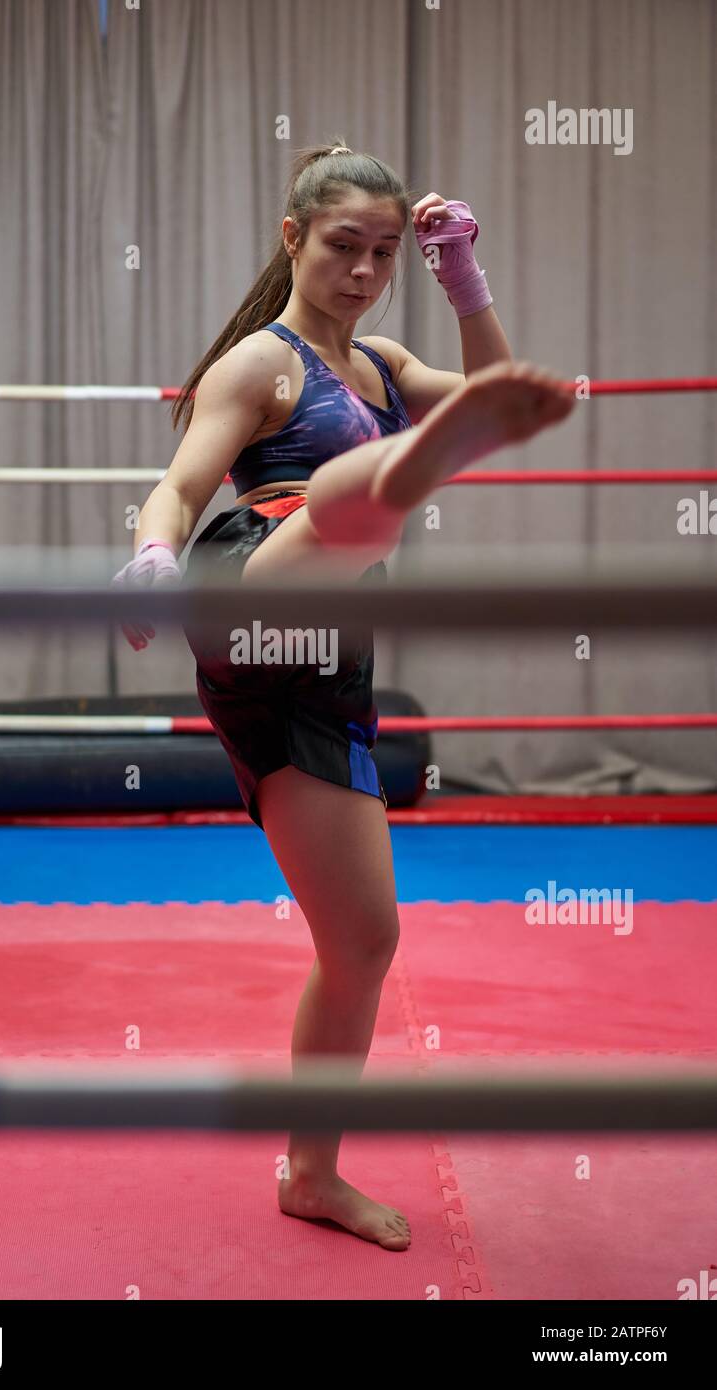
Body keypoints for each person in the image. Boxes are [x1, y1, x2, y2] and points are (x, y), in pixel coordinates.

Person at [113, 142, 574, 1251]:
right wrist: (150, 555)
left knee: (364, 939)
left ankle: (307, 1172)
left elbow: (498, 404)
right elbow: (177, 483)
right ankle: (382, 484)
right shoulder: (258, 368)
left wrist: (468, 286)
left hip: (326, 656)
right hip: (247, 590)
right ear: (291, 240)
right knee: (331, 508)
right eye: (342, 249)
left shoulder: (382, 360)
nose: (365, 271)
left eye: (383, 254)